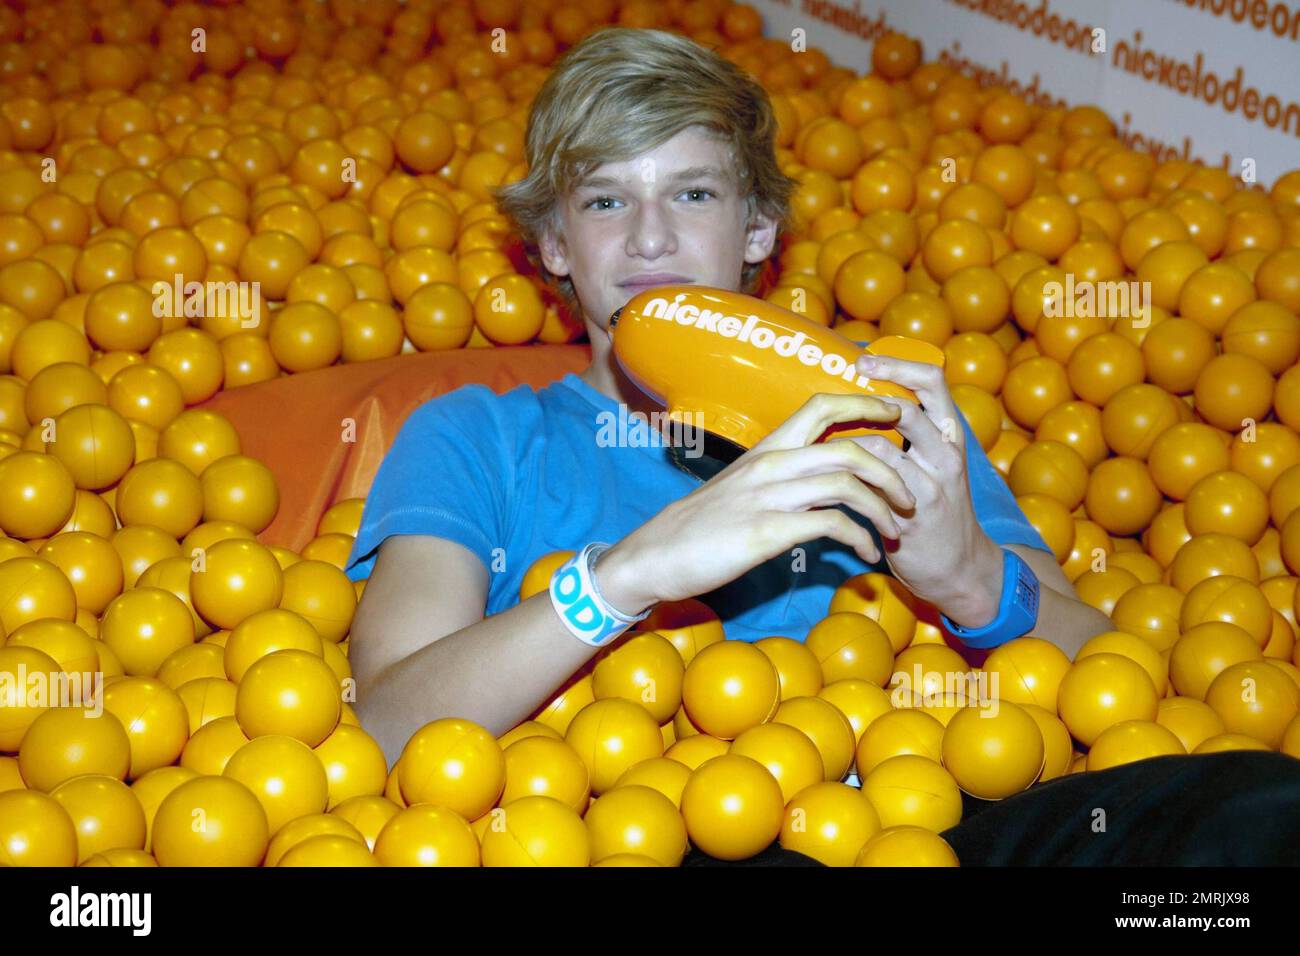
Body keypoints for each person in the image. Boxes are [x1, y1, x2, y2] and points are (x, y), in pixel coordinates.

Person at [342, 27, 1300, 866]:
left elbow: (1117, 681)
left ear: (758, 227)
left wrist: (968, 576)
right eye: (603, 203)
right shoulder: (476, 436)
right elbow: (384, 726)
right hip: (629, 832)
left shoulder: (882, 413)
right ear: (553, 244)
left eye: (692, 194)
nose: (648, 241)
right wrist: (627, 577)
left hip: (933, 817)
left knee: (1251, 817)